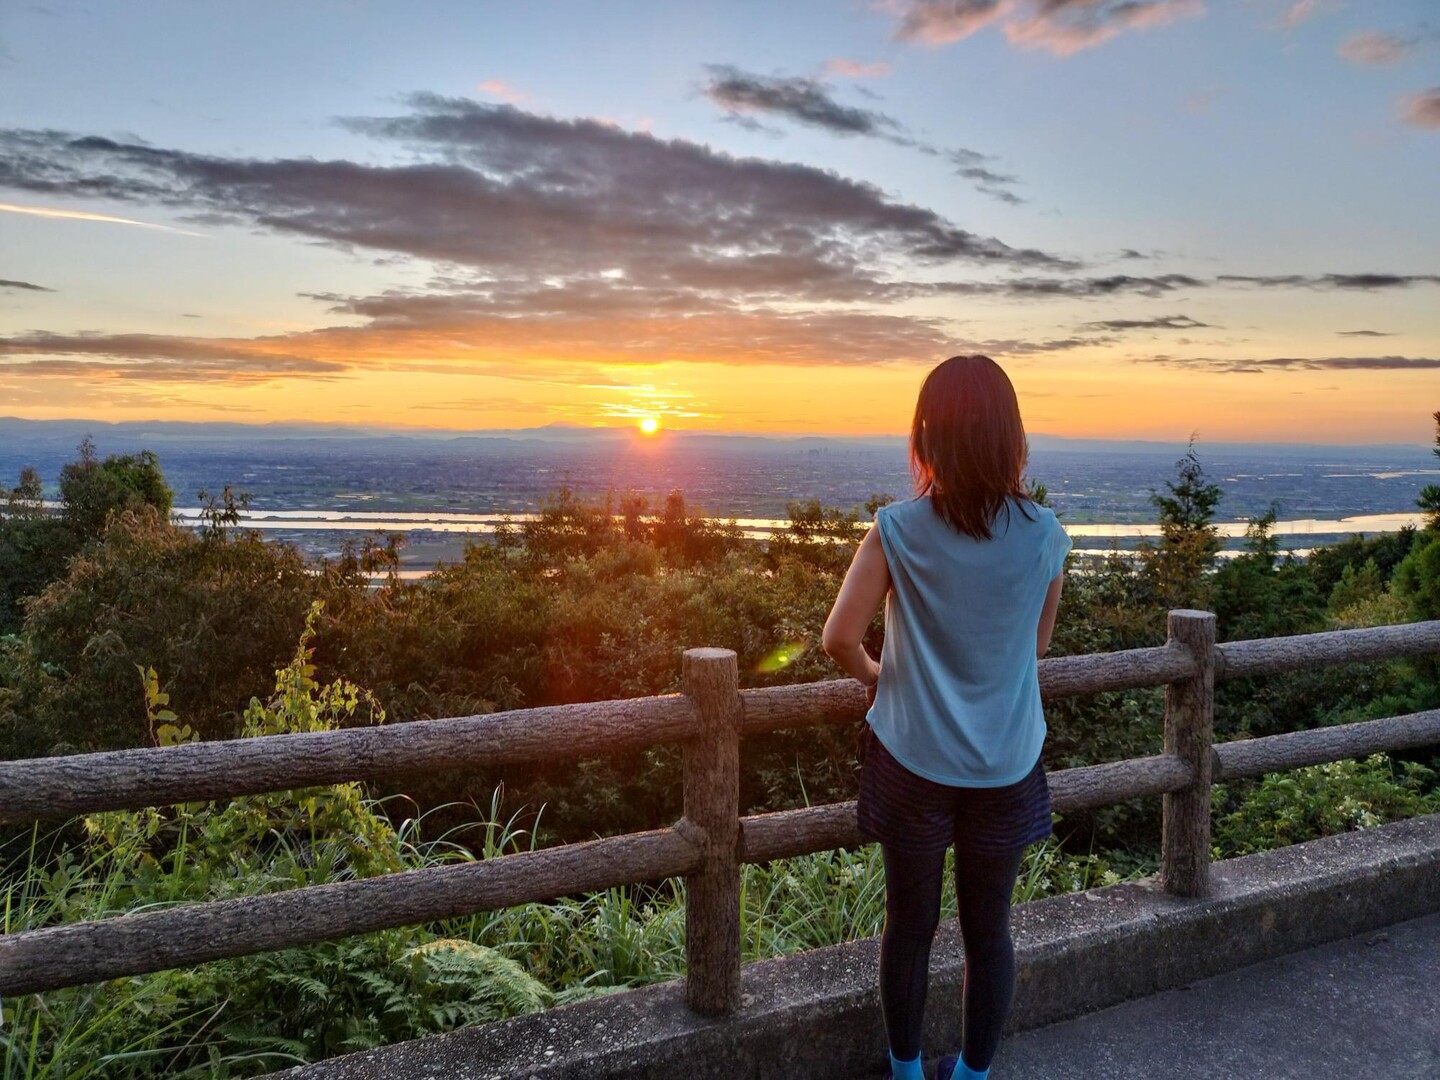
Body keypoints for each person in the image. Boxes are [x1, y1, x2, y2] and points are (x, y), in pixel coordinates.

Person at [821, 355, 1070, 1080]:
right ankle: (972, 1074)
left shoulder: (896, 529)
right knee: (988, 932)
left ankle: (904, 1072)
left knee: (910, 928)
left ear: (928, 436)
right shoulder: (1046, 532)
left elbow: (839, 638)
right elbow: (1039, 642)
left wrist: (880, 676)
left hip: (912, 758)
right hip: (1008, 762)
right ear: (1009, 437)